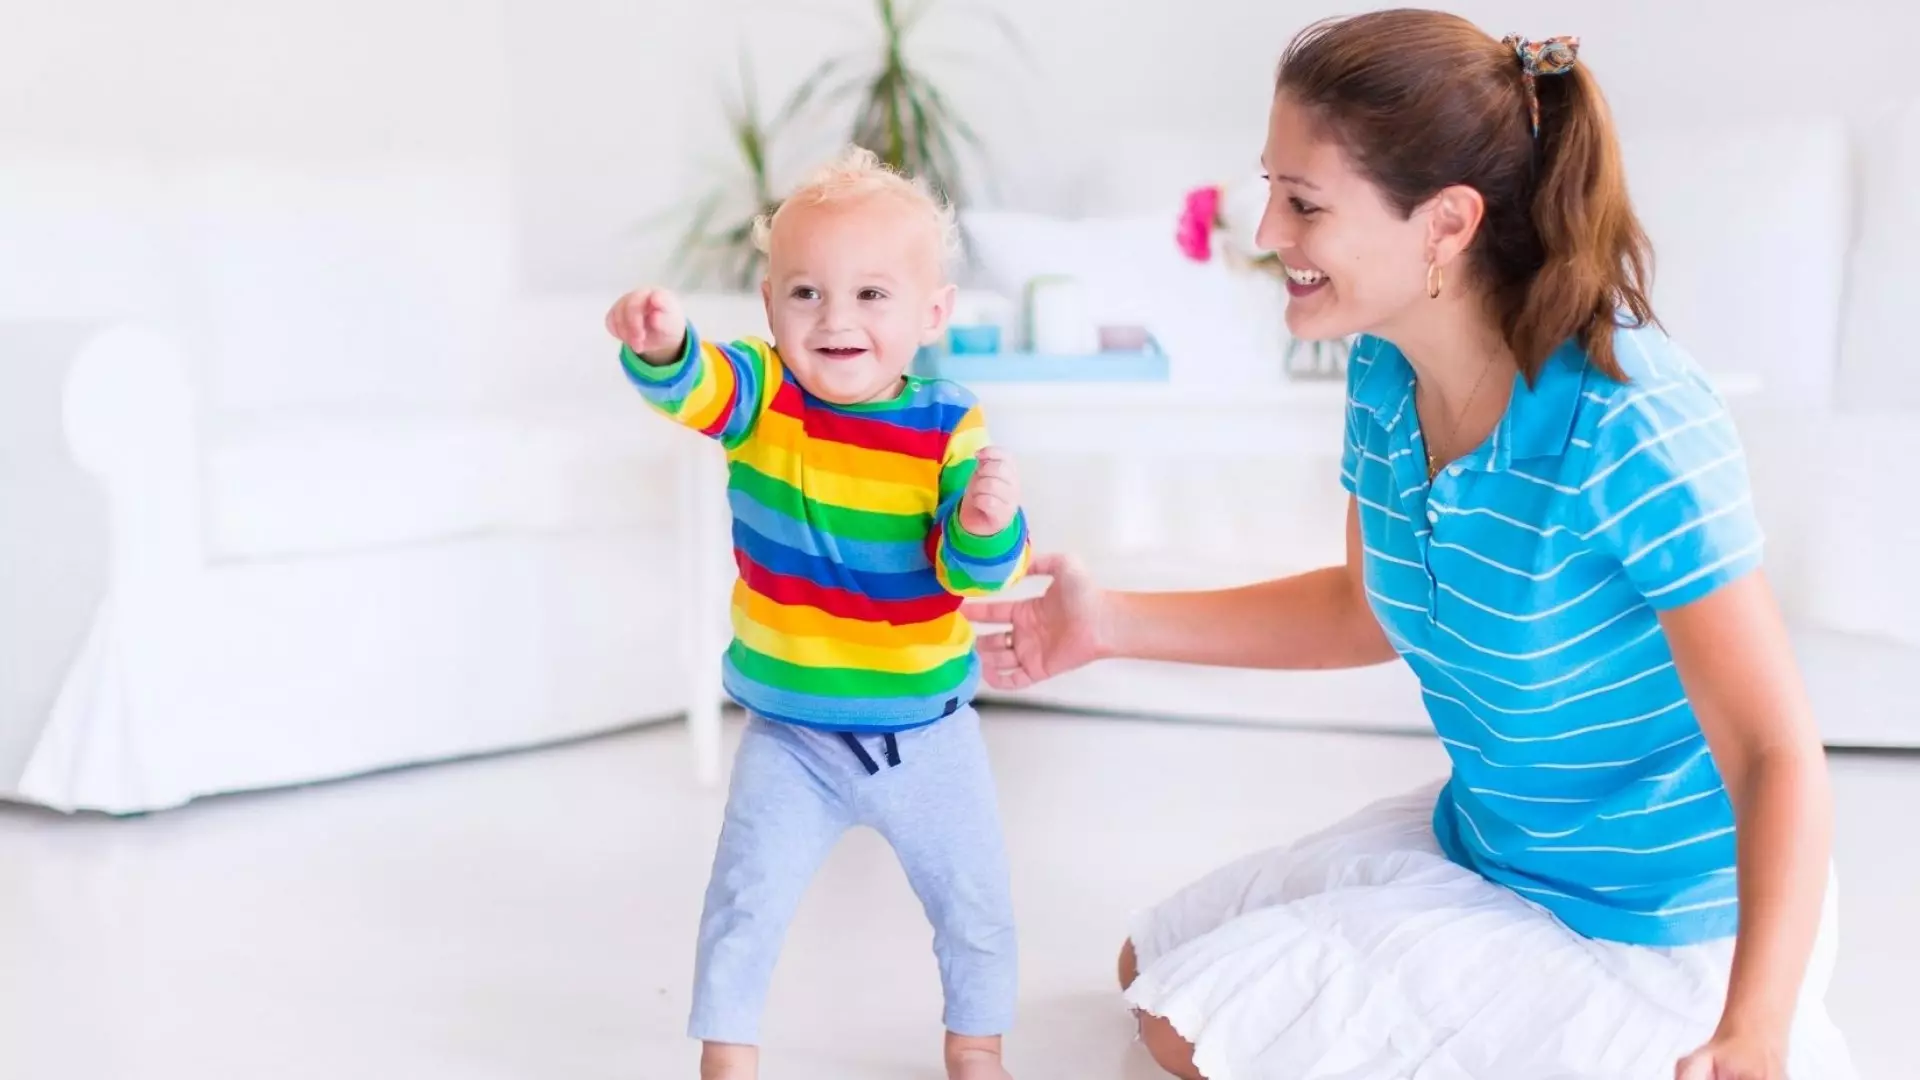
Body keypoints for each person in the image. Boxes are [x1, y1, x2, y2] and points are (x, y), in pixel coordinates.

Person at [965, 11, 1856, 1079]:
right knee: (1145, 965)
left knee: (1187, 1032)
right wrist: (1107, 623)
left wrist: (1753, 1030)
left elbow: (1776, 754)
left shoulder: (1629, 421)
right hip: (1493, 847)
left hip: (1656, 925)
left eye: (1303, 204)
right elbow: (1366, 606)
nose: (1265, 232)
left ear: (1445, 225)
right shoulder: (1384, 370)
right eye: (1270, 189)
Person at [606, 146, 1031, 1080]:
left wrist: (985, 519)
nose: (836, 318)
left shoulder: (947, 425)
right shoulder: (762, 396)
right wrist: (660, 344)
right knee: (744, 899)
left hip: (927, 736)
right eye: (806, 294)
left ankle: (976, 1046)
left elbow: (971, 570)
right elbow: (694, 384)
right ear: (769, 307)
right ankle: (728, 1055)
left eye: (872, 296)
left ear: (932, 313)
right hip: (789, 739)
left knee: (976, 903)